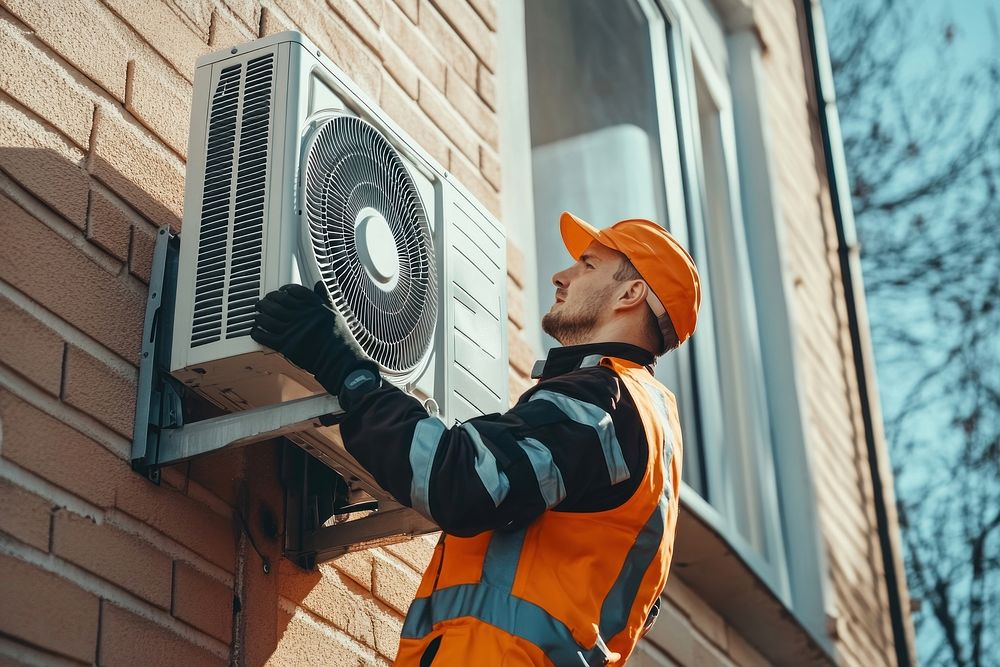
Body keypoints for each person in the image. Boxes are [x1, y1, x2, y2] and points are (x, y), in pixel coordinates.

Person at [251, 211, 701, 666]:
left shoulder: (605, 401)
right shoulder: (650, 425)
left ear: (630, 294)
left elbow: (462, 481)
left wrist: (343, 367)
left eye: (587, 265)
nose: (561, 277)